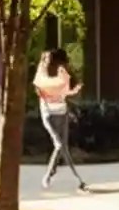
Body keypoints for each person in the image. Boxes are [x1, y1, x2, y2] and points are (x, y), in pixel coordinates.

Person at [33, 49, 88, 192]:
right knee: (59, 145)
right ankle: (67, 178)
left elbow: (66, 91)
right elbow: (43, 92)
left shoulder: (62, 74)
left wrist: (73, 90)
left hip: (62, 112)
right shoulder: (42, 76)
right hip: (49, 114)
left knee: (64, 148)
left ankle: (59, 177)